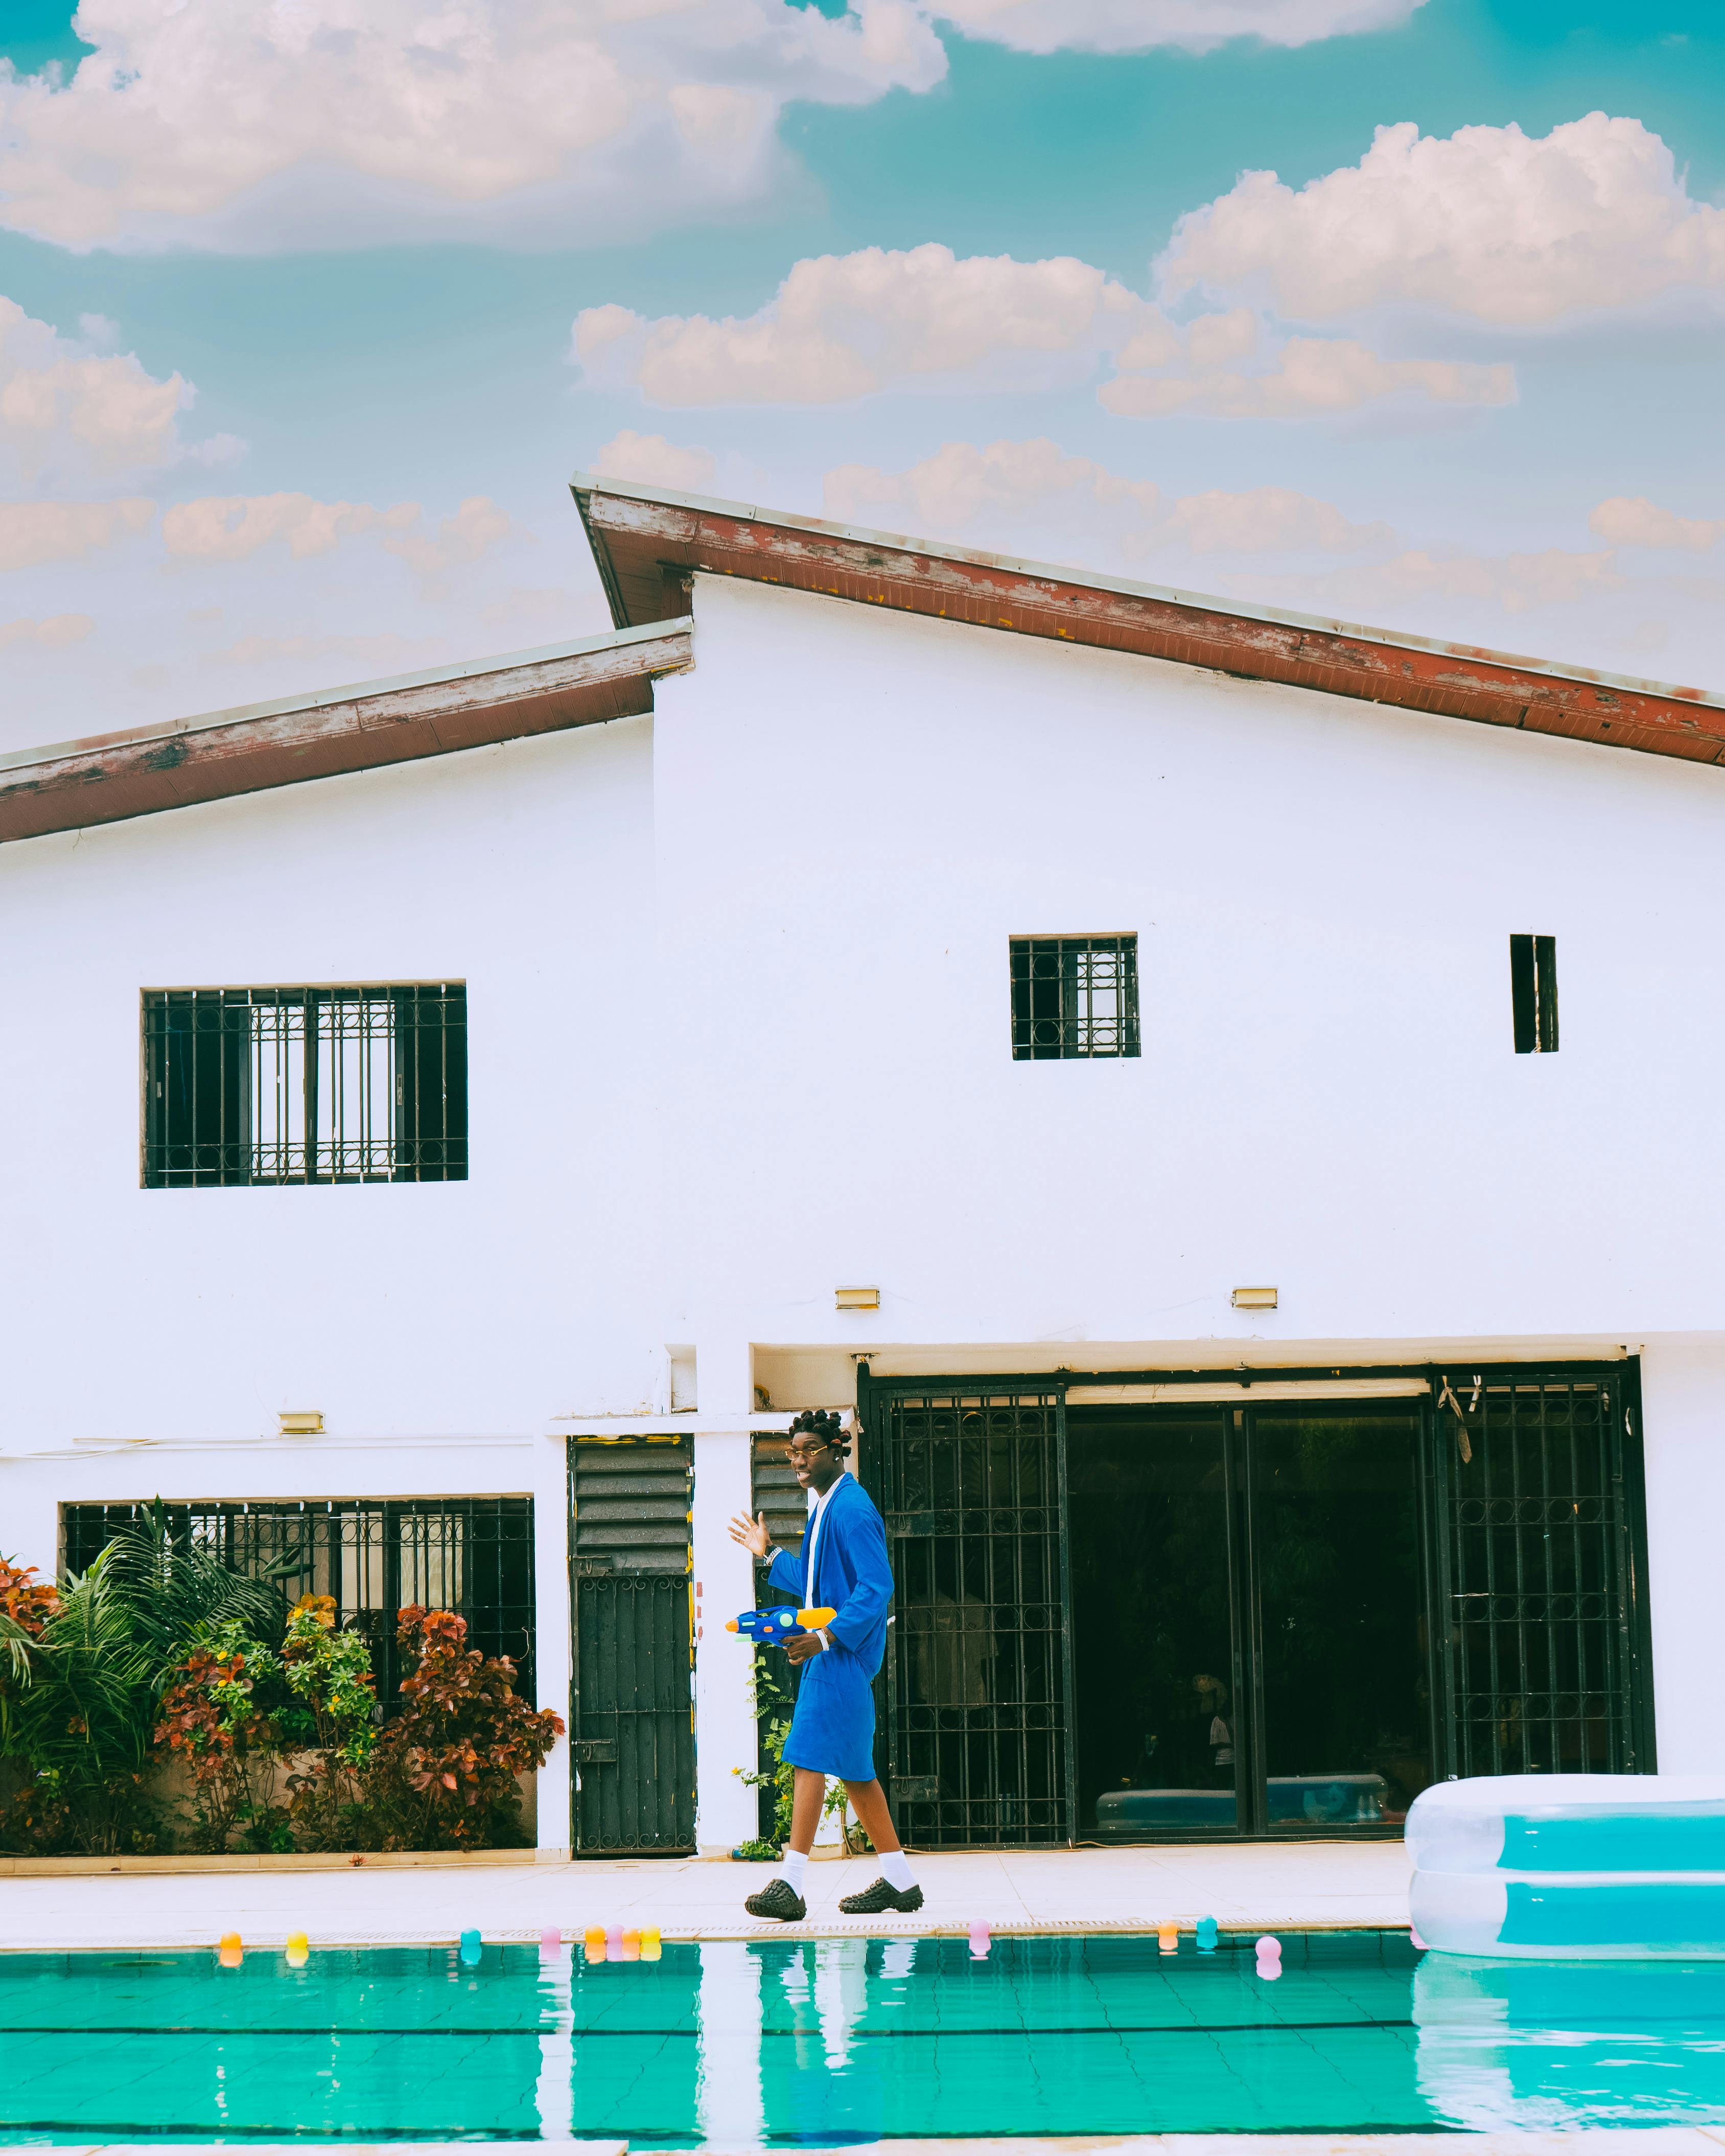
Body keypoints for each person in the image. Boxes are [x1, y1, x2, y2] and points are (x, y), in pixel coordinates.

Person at [729, 1408, 922, 1920]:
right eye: (793, 1450)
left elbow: (877, 1587)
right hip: (837, 1653)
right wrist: (768, 1554)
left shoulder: (851, 1509)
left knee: (808, 1755)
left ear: (838, 1448)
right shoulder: (824, 1505)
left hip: (839, 1654)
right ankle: (900, 1881)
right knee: (856, 1772)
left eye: (810, 1448)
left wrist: (823, 1635)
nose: (799, 1459)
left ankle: (790, 1882)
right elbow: (819, 1585)